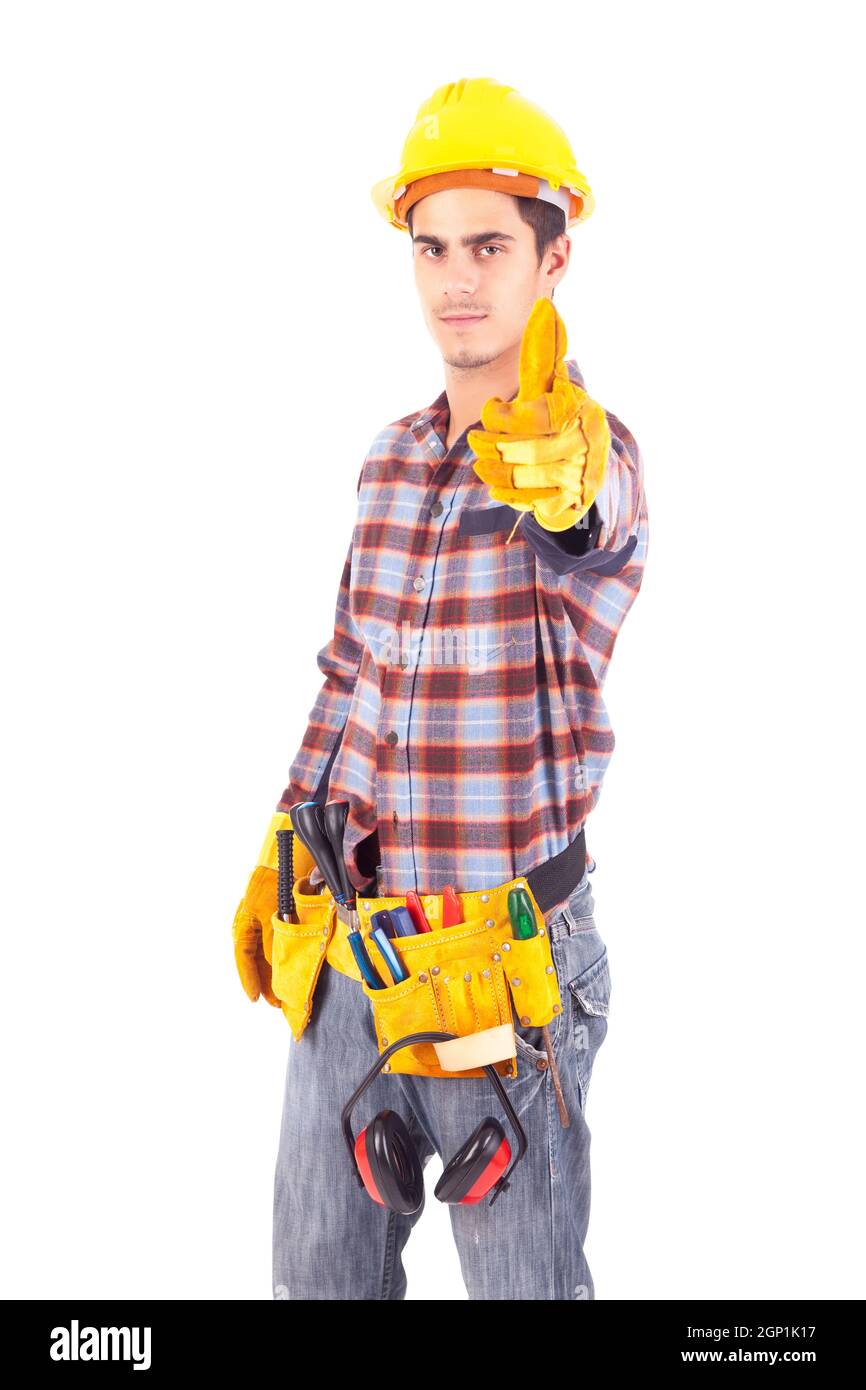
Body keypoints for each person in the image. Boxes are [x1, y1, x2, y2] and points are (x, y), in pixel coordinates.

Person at [232, 76, 649, 1300]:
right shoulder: (391, 460)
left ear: (552, 257)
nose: (454, 279)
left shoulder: (584, 454)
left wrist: (565, 482)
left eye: (488, 245)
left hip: (504, 973)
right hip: (351, 955)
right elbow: (348, 670)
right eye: (430, 247)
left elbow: (594, 520)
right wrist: (284, 837)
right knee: (316, 1286)